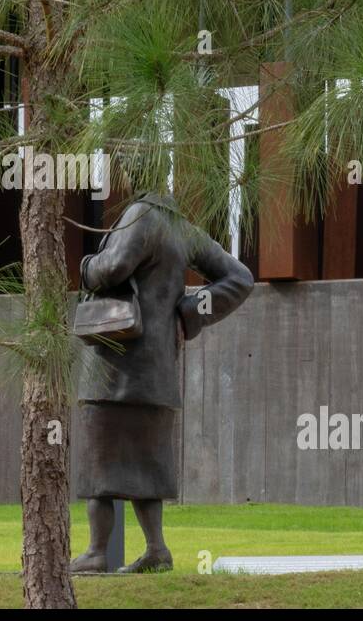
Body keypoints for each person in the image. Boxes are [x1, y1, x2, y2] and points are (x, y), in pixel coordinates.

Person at [72, 192, 253, 573]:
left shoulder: (140, 215)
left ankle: (96, 550)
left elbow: (115, 267)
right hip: (158, 371)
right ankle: (156, 549)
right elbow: (240, 278)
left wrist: (87, 266)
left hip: (115, 362)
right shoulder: (181, 228)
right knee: (147, 464)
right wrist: (190, 313)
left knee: (99, 463)